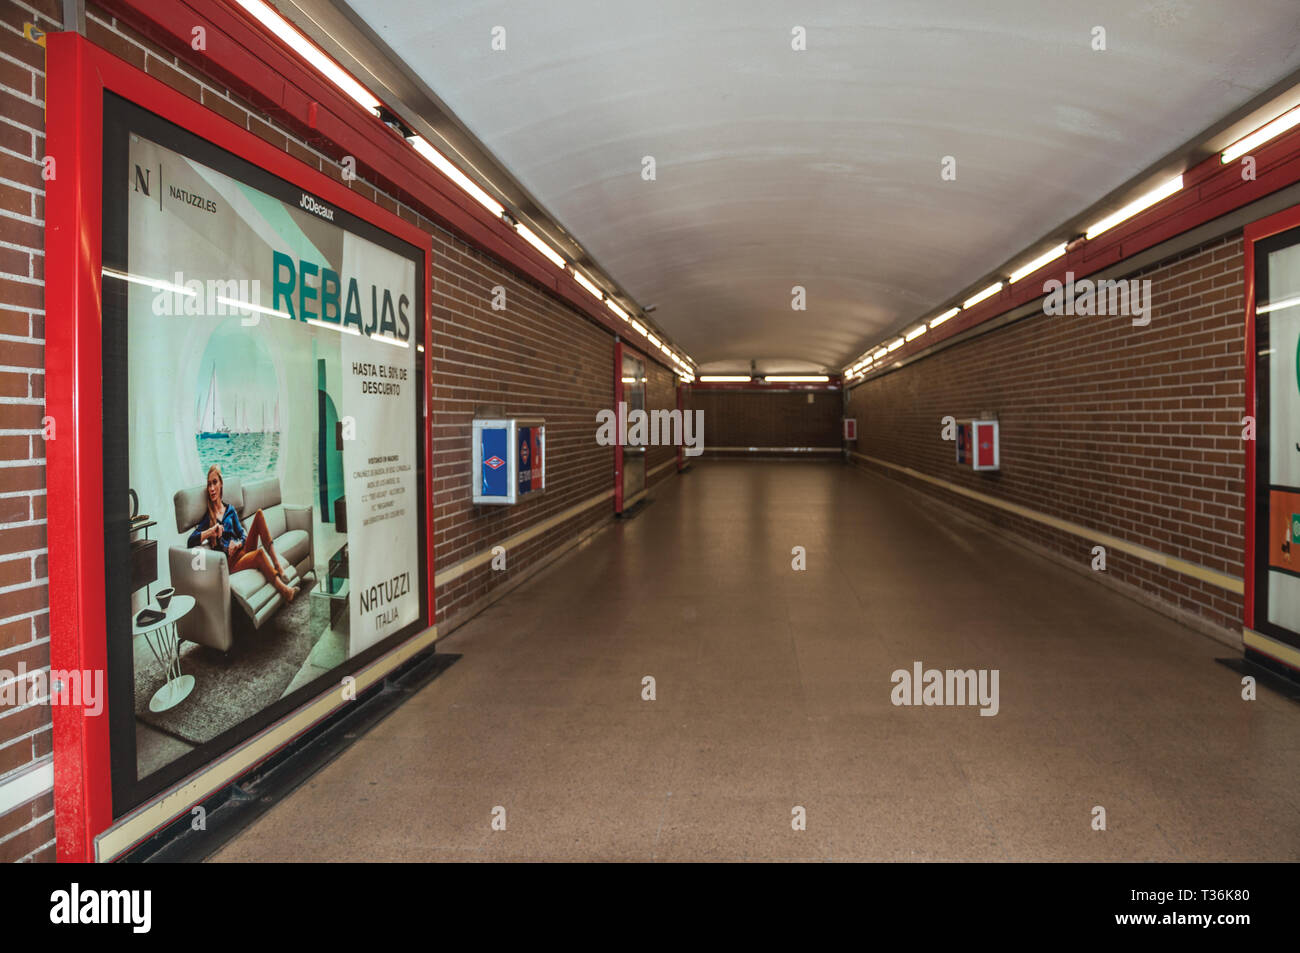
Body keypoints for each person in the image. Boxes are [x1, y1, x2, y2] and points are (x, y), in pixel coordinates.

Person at [188, 464, 298, 602]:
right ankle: (285, 591)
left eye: (214, 482)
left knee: (259, 514)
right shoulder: (208, 517)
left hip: (241, 550)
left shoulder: (230, 510)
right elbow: (190, 541)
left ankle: (277, 564)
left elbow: (243, 535)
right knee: (259, 554)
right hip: (231, 563)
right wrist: (210, 532)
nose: (211, 488)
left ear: (221, 484)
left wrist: (238, 544)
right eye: (209, 484)